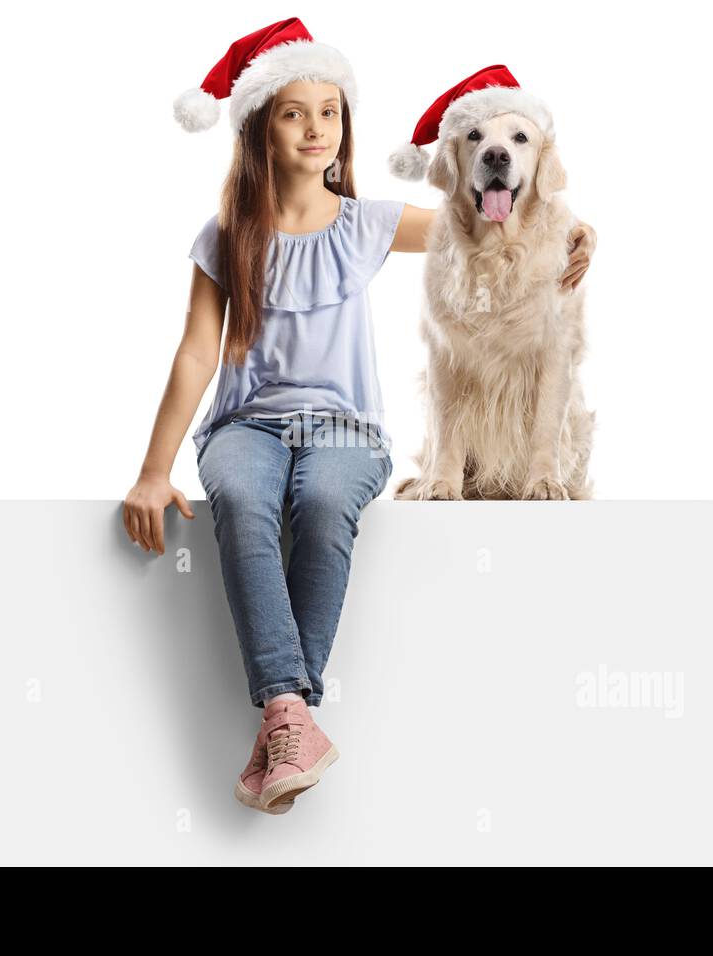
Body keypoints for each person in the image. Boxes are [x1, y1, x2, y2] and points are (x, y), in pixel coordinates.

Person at [122, 18, 596, 814]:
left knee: (322, 500)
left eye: (330, 112)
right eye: (293, 113)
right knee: (241, 499)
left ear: (346, 126)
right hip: (246, 427)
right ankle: (293, 715)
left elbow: (489, 222)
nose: (315, 129)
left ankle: (282, 716)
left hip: (347, 432)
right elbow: (197, 356)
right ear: (257, 128)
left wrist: (583, 232)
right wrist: (151, 469)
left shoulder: (368, 224)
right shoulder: (225, 236)